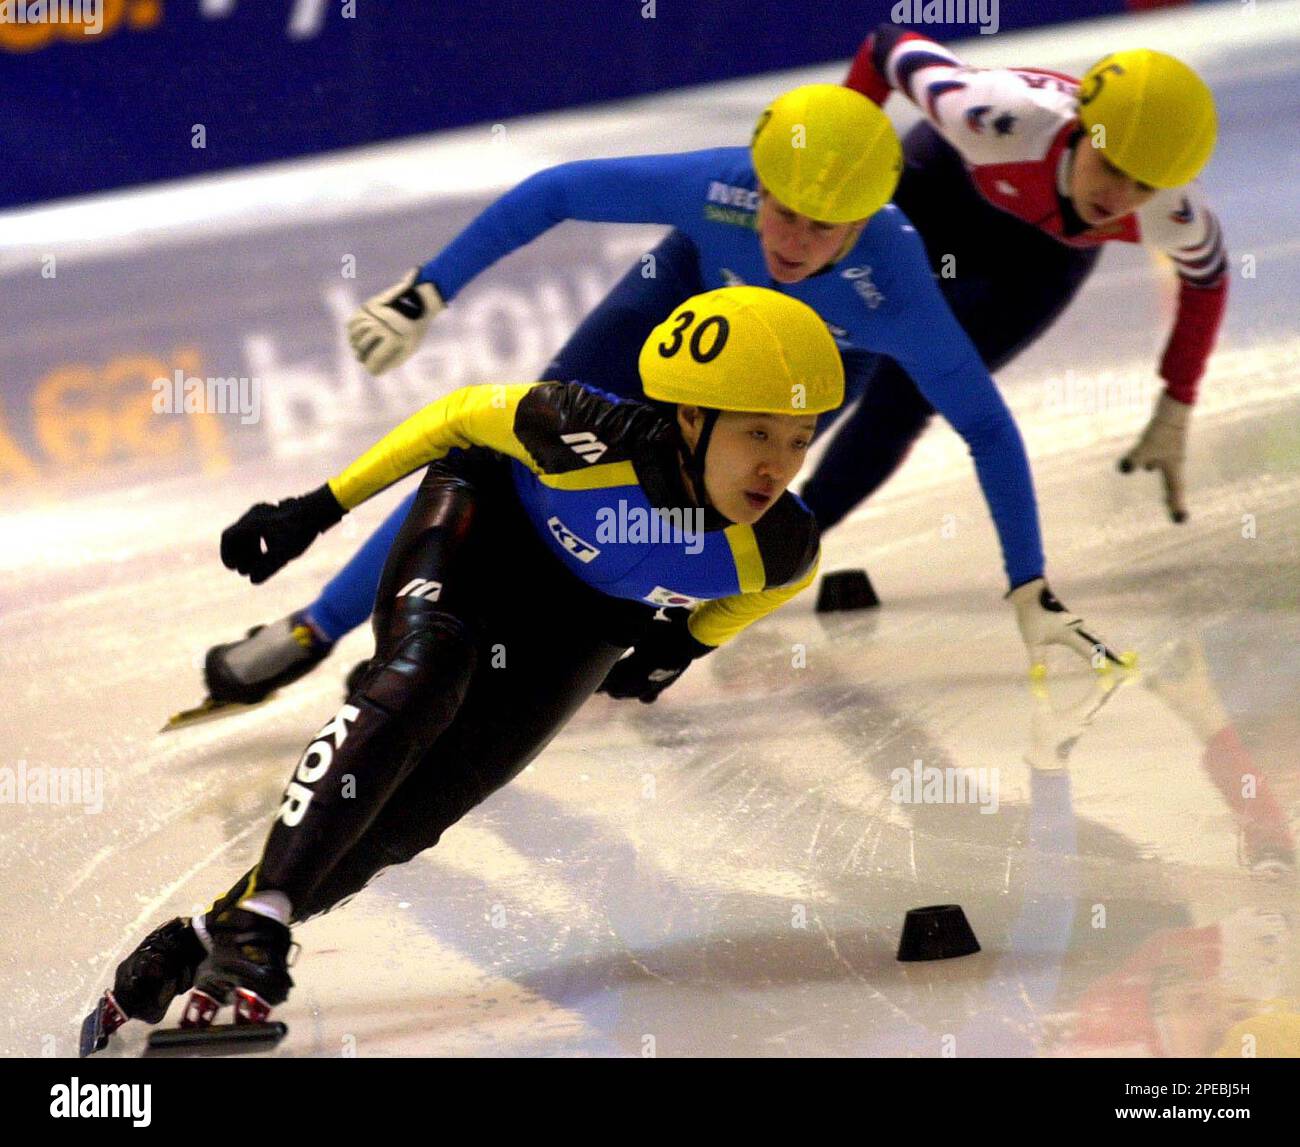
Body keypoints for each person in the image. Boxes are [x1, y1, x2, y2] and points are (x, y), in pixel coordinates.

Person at [199, 82, 1121, 716]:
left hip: (791, 376)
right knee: (500, 449)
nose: (790, 240)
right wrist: (426, 290)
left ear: (867, 219)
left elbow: (986, 428)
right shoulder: (720, 188)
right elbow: (554, 192)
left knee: (687, 525)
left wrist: (1029, 579)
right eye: (778, 208)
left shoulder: (898, 284)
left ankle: (567, 637)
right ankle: (315, 626)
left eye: (821, 225)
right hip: (676, 308)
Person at [86, 285, 848, 1044]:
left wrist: (681, 647)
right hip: (483, 532)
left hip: (582, 622)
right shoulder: (582, 433)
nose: (777, 465)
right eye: (757, 434)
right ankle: (260, 922)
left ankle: (192, 940)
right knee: (428, 671)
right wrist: (317, 507)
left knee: (410, 821)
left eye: (799, 438)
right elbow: (452, 417)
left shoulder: (778, 545)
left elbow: (776, 585)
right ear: (690, 416)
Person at [805, 31, 1224, 534]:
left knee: (914, 393)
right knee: (833, 343)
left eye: (1143, 185)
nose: (1118, 196)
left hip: (1039, 264)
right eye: (1111, 165)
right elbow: (883, 47)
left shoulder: (1174, 210)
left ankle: (785, 542)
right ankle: (711, 483)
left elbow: (1209, 281)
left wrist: (1178, 399)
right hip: (939, 193)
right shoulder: (995, 115)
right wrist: (830, 173)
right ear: (1081, 127)